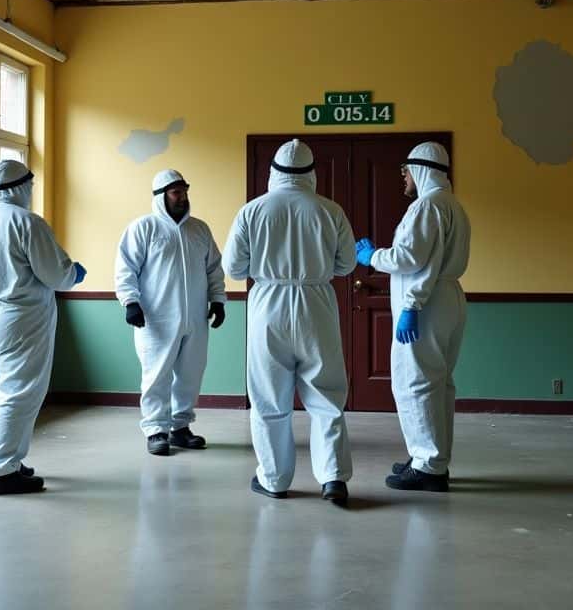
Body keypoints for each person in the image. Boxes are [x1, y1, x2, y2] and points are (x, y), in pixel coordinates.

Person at [223, 139, 356, 506]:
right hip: (317, 304)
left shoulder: (252, 211)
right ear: (312, 174)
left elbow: (233, 267)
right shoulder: (331, 211)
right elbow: (346, 265)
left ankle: (275, 479)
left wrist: (267, 268)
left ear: (273, 172)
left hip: (268, 303)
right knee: (326, 395)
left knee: (269, 397)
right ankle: (332, 478)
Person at [0, 159, 87, 495]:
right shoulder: (28, 223)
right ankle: (0, 471)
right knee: (20, 394)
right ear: (24, 186)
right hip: (20, 317)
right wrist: (74, 273)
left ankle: (6, 457)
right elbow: (55, 274)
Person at [355, 141, 469, 492]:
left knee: (416, 383)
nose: (402, 176)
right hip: (447, 299)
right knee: (438, 384)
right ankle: (430, 459)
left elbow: (411, 260)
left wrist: (373, 256)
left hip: (426, 304)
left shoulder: (427, 206)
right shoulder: (452, 205)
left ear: (421, 169)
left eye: (405, 170)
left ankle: (429, 466)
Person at [115, 169, 227, 456]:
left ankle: (179, 427)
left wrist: (218, 300)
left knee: (191, 374)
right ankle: (155, 430)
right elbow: (125, 268)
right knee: (156, 375)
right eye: (176, 192)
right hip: (156, 319)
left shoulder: (199, 230)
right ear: (160, 196)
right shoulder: (144, 228)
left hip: (195, 318)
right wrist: (130, 302)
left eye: (185, 191)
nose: (183, 197)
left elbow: (214, 267)